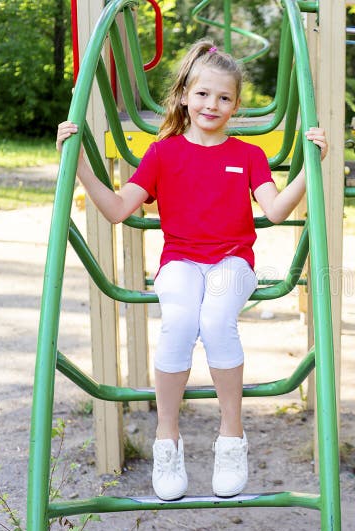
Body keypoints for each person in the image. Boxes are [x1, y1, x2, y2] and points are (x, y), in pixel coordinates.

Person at [56, 39, 327, 501]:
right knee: (180, 322)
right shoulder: (163, 154)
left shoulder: (248, 155)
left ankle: (231, 438)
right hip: (179, 261)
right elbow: (119, 209)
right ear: (184, 94)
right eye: (203, 94)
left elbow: (277, 210)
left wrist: (311, 167)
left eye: (224, 97)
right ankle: (167, 440)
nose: (212, 105)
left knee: (217, 321)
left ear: (236, 105)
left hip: (231, 262)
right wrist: (80, 163)